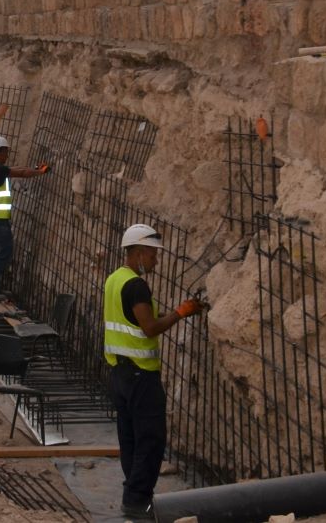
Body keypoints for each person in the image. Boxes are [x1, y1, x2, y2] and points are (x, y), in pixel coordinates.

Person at [104, 223, 204, 520]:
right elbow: (149, 328)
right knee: (151, 439)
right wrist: (181, 313)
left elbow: (133, 318)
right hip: (140, 375)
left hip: (119, 372)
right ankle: (137, 502)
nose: (155, 261)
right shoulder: (137, 285)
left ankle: (133, 495)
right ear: (138, 253)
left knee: (130, 438)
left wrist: (167, 313)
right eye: (152, 255)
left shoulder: (115, 279)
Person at [0, 136, 48, 301]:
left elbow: (14, 169)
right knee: (5, 252)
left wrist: (34, 167)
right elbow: (21, 173)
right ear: (1, 151)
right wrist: (40, 172)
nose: (7, 155)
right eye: (6, 152)